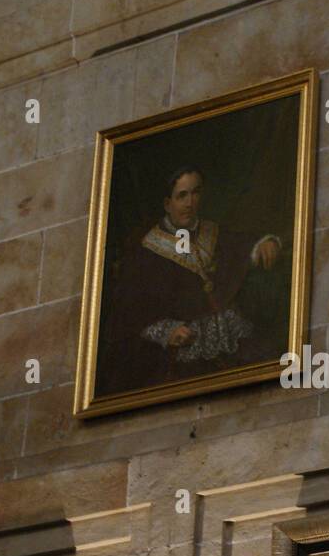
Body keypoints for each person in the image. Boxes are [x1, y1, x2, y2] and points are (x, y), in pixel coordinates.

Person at [97, 165, 287, 394]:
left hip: (230, 336)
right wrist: (166, 330)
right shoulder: (146, 253)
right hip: (180, 352)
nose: (190, 203)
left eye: (196, 193)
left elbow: (240, 246)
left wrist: (266, 243)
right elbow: (129, 313)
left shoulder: (210, 231)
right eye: (182, 196)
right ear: (168, 204)